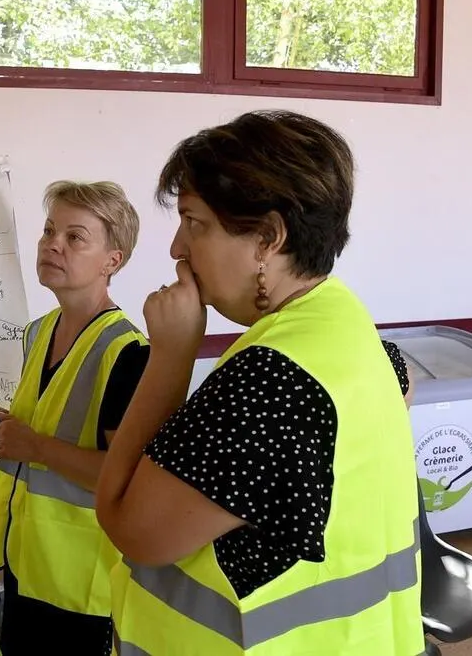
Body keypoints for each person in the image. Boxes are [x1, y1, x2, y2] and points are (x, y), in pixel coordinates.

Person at [95, 110, 422, 655]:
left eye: (194, 221)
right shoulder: (350, 330)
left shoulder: (270, 385)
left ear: (268, 237)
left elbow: (128, 526)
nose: (177, 248)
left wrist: (170, 357)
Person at [0, 180, 149, 655]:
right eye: (49, 231)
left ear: (113, 260)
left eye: (75, 237)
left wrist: (35, 447)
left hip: (79, 585)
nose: (52, 244)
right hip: (25, 561)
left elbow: (130, 478)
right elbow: (50, 424)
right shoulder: (38, 332)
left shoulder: (127, 353)